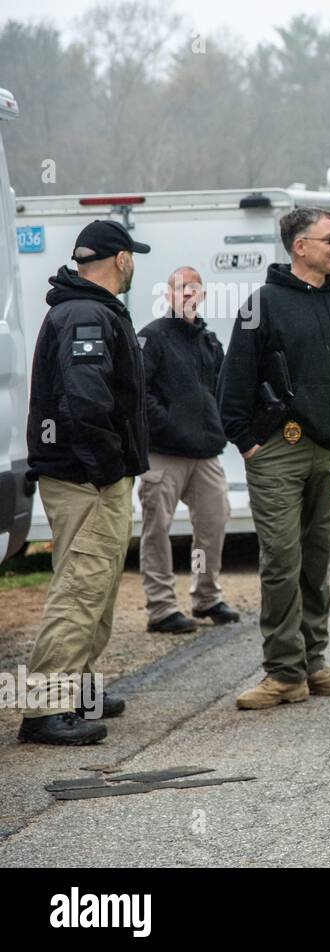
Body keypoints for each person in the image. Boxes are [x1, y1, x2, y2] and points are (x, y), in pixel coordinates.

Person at [218, 207, 330, 709]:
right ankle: (283, 673)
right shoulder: (262, 305)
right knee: (282, 559)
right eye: (329, 239)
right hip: (280, 450)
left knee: (319, 559)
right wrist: (247, 442)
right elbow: (233, 380)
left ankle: (313, 664)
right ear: (299, 247)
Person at [18, 220, 151, 746]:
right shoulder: (86, 314)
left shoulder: (85, 309)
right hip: (86, 480)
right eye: (132, 257)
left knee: (95, 586)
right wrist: (106, 469)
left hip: (91, 477)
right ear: (120, 260)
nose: (134, 264)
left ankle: (79, 691)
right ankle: (44, 706)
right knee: (79, 588)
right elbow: (85, 400)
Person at [137, 267, 240, 635]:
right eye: (181, 289)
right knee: (156, 530)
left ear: (202, 295)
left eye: (194, 290)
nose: (187, 295)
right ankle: (162, 608)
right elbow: (139, 392)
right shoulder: (152, 337)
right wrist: (167, 423)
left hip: (205, 453)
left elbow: (221, 389)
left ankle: (205, 596)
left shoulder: (209, 341)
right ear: (168, 294)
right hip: (164, 453)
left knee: (212, 523)